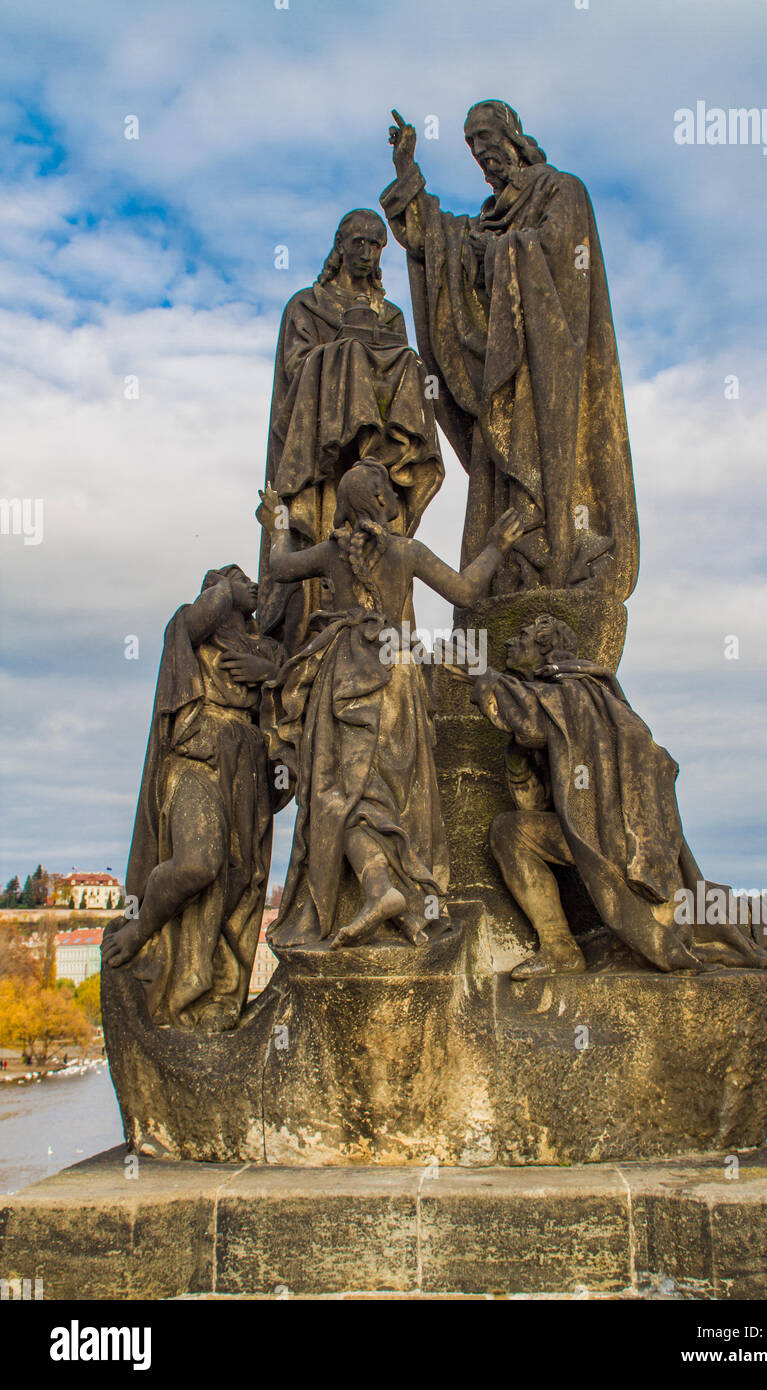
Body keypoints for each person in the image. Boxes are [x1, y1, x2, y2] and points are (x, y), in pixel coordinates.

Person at [257, 458, 523, 949]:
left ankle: (381, 888)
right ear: (382, 502)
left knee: (341, 796)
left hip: (347, 675)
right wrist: (495, 547)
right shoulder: (408, 552)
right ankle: (388, 894)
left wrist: (276, 522)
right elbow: (465, 589)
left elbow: (279, 567)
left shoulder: (331, 553)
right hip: (398, 674)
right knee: (384, 797)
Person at [381, 102, 638, 599]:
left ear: (512, 136)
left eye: (485, 138)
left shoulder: (561, 190)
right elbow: (436, 241)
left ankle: (553, 559)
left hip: (547, 366)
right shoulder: (486, 220)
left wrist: (499, 254)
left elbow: (561, 252)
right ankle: (501, 577)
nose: (481, 153)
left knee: (545, 468)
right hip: (499, 373)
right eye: (472, 145)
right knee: (497, 472)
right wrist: (407, 172)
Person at [464, 614, 767, 979]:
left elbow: (529, 720)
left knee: (510, 833)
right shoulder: (580, 690)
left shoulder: (574, 690)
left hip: (615, 835)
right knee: (512, 831)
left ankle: (561, 949)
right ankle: (562, 947)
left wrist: (480, 673)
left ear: (545, 647)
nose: (511, 642)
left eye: (522, 635)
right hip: (604, 828)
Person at [102, 567, 285, 1030]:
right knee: (199, 864)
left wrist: (273, 673)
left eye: (251, 583)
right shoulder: (194, 628)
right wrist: (224, 588)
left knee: (240, 879)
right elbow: (187, 624)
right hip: (197, 754)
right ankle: (140, 930)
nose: (253, 587)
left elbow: (300, 688)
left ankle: (217, 996)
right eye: (240, 579)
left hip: (246, 763)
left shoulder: (265, 648)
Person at [258, 208, 444, 650]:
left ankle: (384, 460)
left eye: (376, 245)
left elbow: (404, 366)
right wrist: (347, 351)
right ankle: (308, 636)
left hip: (377, 461)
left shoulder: (391, 314)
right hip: (321, 456)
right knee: (354, 353)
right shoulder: (306, 304)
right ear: (339, 246)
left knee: (409, 363)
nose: (366, 252)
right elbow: (296, 369)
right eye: (357, 242)